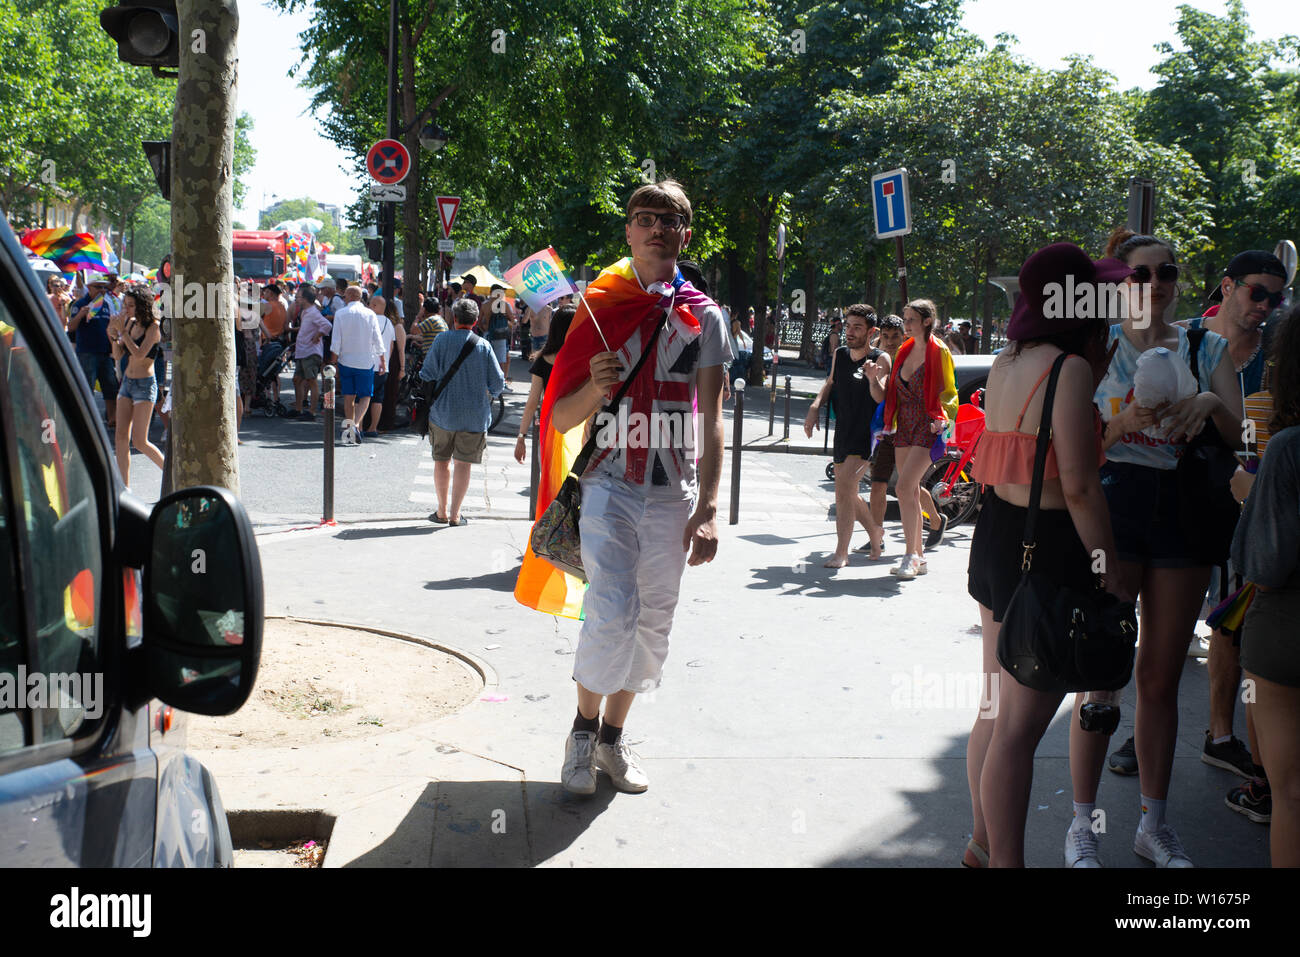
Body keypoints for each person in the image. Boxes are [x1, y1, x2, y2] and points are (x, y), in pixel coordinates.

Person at [543, 179, 729, 797]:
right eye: (643, 218)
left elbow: (711, 417)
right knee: (611, 611)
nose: (655, 229)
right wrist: (596, 386)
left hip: (671, 492)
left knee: (653, 624)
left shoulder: (706, 316)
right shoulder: (600, 306)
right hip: (609, 486)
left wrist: (707, 508)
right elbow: (563, 417)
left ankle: (612, 743)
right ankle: (579, 733)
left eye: (668, 220)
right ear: (628, 231)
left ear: (686, 234)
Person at [964, 242, 1132, 869]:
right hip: (1052, 551)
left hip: (1001, 539)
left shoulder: (1010, 360)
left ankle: (983, 845)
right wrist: (1109, 569)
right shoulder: (1070, 368)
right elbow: (1081, 487)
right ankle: (1007, 861)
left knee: (995, 707)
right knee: (1020, 729)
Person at [1086, 228, 1244, 868]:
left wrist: (1206, 399)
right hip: (1114, 508)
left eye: (1167, 273)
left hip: (1183, 512)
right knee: (1099, 674)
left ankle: (1154, 825)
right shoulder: (1095, 351)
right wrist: (1118, 423)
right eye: (1141, 275)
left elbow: (1239, 435)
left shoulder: (1208, 347)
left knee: (1158, 675)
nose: (1155, 286)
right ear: (1121, 286)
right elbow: (1069, 447)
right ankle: (1080, 824)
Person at [1230, 303, 1300, 866]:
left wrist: (1242, 491)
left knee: (1291, 795)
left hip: (1286, 634)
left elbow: (1262, 562)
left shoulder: (1288, 448)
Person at [804, 304, 889, 566]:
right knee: (847, 491)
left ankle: (842, 552)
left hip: (868, 434)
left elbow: (881, 397)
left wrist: (873, 378)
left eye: (857, 327)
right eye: (848, 325)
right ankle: (875, 531)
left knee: (843, 490)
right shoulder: (840, 354)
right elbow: (829, 384)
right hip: (843, 429)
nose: (849, 332)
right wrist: (815, 406)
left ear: (871, 331)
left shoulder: (880, 358)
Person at [879, 299, 957, 579]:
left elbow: (950, 392)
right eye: (905, 318)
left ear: (926, 321)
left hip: (929, 426)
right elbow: (894, 392)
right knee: (909, 491)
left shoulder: (940, 351)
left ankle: (910, 555)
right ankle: (920, 559)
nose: (905, 324)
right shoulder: (905, 349)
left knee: (903, 487)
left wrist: (945, 424)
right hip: (904, 426)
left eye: (910, 319)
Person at [419, 297, 505, 524]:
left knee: (441, 461)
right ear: (476, 320)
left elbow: (426, 374)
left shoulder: (441, 340)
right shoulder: (484, 346)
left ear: (453, 318)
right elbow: (497, 384)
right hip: (474, 417)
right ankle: (456, 515)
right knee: (463, 464)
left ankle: (441, 511)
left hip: (443, 414)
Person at [109, 287, 166, 489]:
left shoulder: (154, 327)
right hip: (127, 382)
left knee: (139, 441)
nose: (127, 309)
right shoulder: (130, 324)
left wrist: (123, 332)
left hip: (144, 384)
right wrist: (113, 334)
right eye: (125, 305)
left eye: (131, 305)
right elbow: (117, 355)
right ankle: (124, 488)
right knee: (120, 438)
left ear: (142, 305)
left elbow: (140, 354)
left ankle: (171, 474)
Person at [514, 304, 577, 464]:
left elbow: (532, 402)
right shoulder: (583, 359)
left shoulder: (543, 359)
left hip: (550, 427)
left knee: (550, 478)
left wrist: (521, 437)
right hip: (578, 426)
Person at [328, 285, 385, 440]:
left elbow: (336, 341)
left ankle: (350, 426)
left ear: (348, 296)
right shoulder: (370, 314)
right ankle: (355, 425)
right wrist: (382, 360)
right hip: (365, 361)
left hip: (345, 360)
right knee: (366, 395)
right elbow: (377, 339)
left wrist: (333, 362)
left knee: (348, 396)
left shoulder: (340, 314)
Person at [67, 275, 121, 430]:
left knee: (110, 385)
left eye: (104, 287)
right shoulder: (81, 304)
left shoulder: (106, 304)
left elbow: (109, 327)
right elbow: (71, 327)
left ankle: (112, 418)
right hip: (87, 353)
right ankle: (86, 421)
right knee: (87, 387)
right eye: (98, 287)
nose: (102, 290)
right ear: (89, 287)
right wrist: (81, 315)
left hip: (104, 353)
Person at [289, 284, 330, 421]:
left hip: (310, 352)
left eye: (298, 297)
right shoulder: (305, 312)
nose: (296, 299)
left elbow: (327, 325)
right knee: (297, 379)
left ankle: (311, 412)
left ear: (305, 299)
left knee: (311, 380)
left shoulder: (313, 312)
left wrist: (318, 335)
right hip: (303, 351)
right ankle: (299, 408)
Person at [363, 295, 401, 436]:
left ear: (373, 306)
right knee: (378, 398)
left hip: (366, 364)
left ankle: (360, 427)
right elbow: (391, 347)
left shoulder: (367, 319)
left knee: (362, 397)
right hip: (383, 366)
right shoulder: (389, 323)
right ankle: (373, 428)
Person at [485, 284, 516, 389]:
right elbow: (512, 321)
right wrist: (504, 322)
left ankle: (488, 383)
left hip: (487, 335)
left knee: (488, 360)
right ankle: (501, 384)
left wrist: (485, 330)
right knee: (501, 361)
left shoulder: (485, 304)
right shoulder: (504, 305)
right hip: (500, 336)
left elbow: (479, 322)